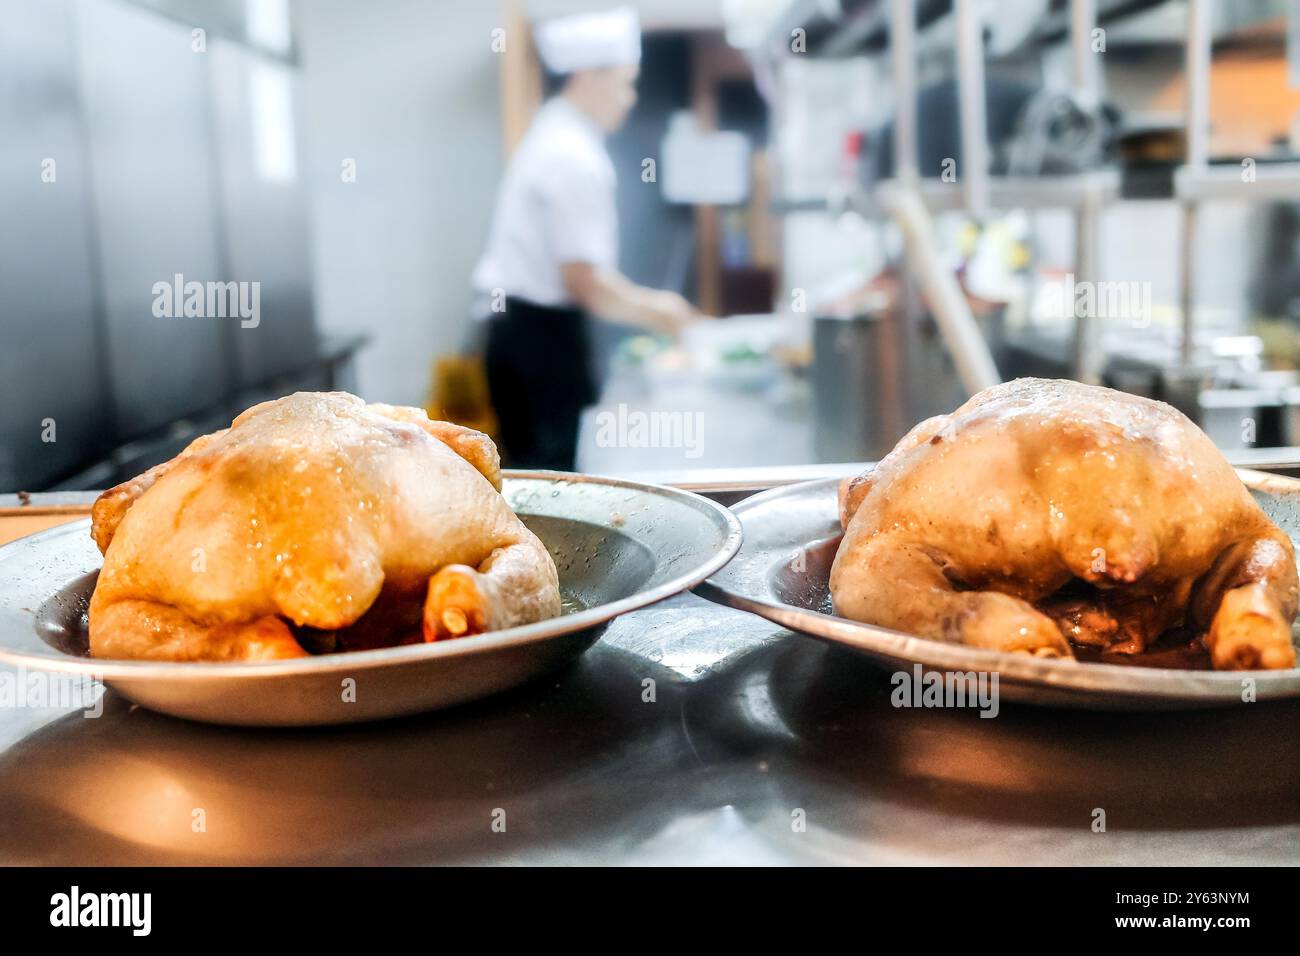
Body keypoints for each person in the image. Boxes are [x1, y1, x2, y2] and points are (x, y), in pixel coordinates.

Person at [472, 7, 697, 471]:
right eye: (624, 82)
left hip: (523, 335)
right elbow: (585, 282)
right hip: (538, 342)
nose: (629, 98)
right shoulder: (571, 155)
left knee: (539, 478)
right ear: (585, 76)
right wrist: (663, 311)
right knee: (551, 484)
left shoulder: (556, 131)